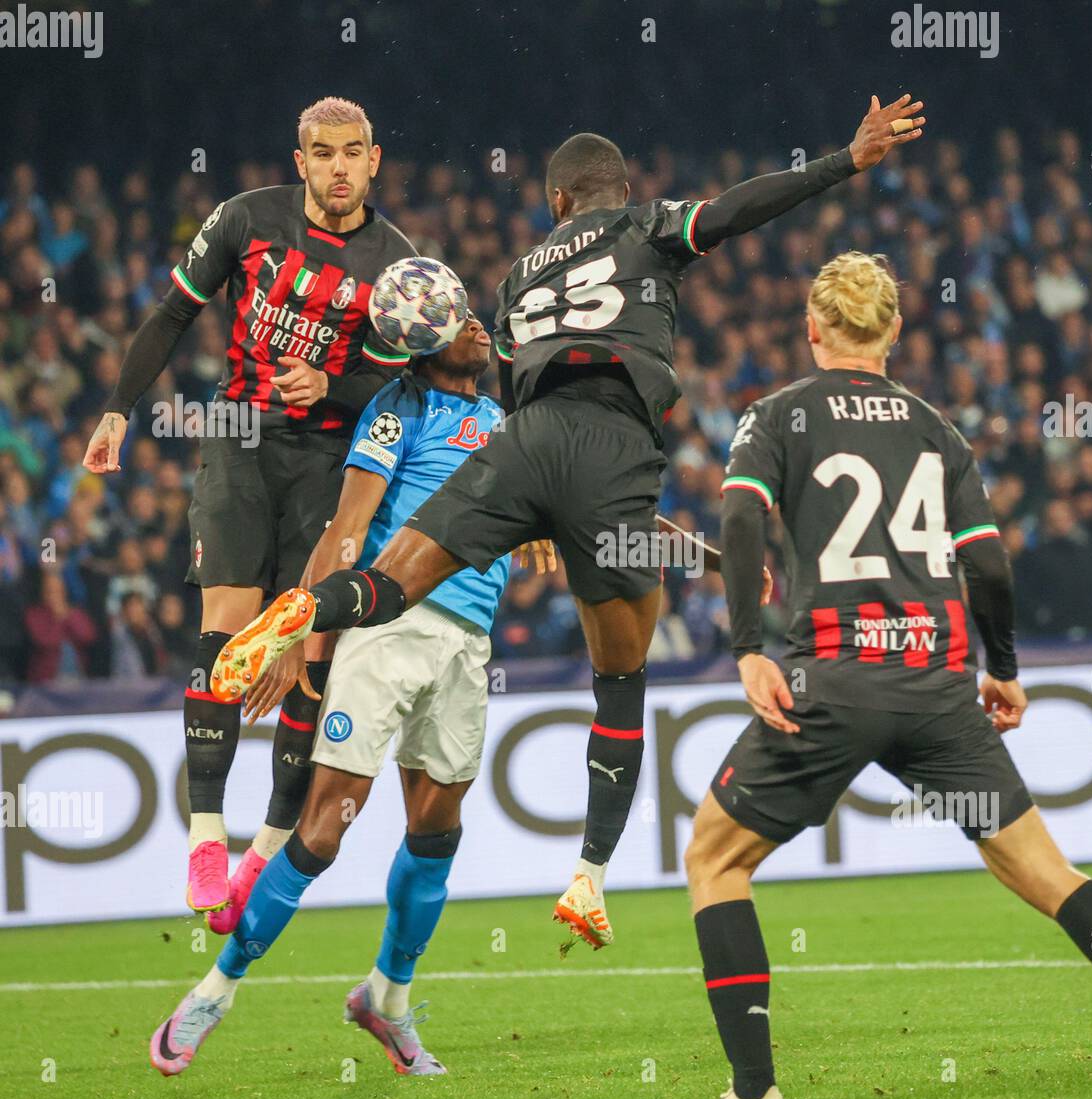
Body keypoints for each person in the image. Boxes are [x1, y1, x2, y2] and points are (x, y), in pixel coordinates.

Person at [211, 95, 927, 951]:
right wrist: (843, 160)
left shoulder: (515, 280)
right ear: (614, 190)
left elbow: (510, 402)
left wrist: (539, 506)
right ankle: (588, 876)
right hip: (612, 444)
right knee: (619, 683)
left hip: (527, 442)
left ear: (555, 202)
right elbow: (739, 207)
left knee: (385, 584)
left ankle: (306, 608)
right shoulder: (647, 226)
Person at [683, 251, 1092, 1099]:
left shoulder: (776, 416)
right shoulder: (939, 429)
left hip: (834, 681)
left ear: (812, 329)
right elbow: (991, 568)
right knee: (1047, 874)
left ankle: (754, 1093)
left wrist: (748, 645)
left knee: (714, 858)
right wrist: (1000, 669)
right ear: (895, 330)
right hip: (936, 685)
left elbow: (740, 513)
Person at [150, 316, 553, 1076]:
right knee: (324, 831)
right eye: (458, 323)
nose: (477, 327)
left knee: (437, 836)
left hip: (469, 647)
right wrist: (311, 630)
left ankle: (388, 1001)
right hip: (389, 628)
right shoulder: (399, 408)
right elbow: (348, 526)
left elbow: (571, 496)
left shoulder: (504, 422)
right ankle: (214, 991)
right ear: (423, 344)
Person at [81, 97, 416, 923]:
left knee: (307, 652)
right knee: (228, 631)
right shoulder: (244, 219)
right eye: (322, 152)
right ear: (298, 160)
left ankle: (261, 857)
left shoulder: (395, 263)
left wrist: (332, 385)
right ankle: (205, 838)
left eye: (353, 153)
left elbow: (394, 383)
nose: (339, 167)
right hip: (238, 436)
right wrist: (120, 408)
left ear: (375, 161)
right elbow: (171, 316)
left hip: (328, 465)